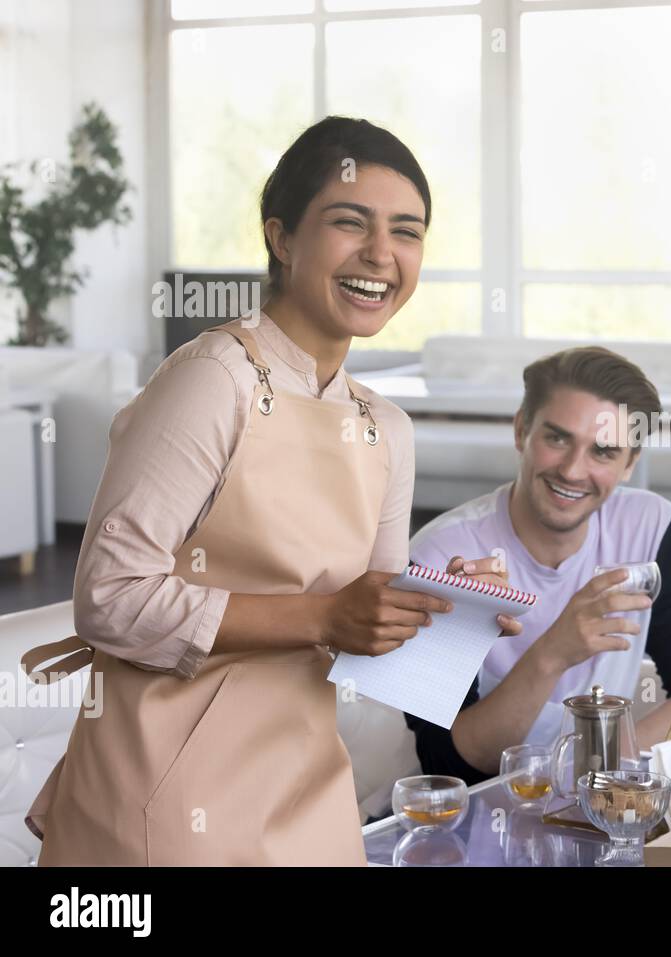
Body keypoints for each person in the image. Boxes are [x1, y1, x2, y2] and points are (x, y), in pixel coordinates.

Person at [20, 116, 517, 865]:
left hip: (305, 784)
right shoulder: (210, 379)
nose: (381, 255)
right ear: (281, 238)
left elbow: (363, 640)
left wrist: (455, 614)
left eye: (406, 232)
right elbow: (109, 595)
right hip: (169, 781)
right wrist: (323, 612)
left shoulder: (385, 428)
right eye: (350, 222)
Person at [404, 347, 671, 783]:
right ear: (521, 430)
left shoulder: (651, 528)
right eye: (557, 439)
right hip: (468, 818)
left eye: (604, 452)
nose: (574, 471)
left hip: (594, 812)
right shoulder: (442, 555)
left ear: (630, 463)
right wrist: (553, 653)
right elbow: (447, 761)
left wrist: (593, 773)